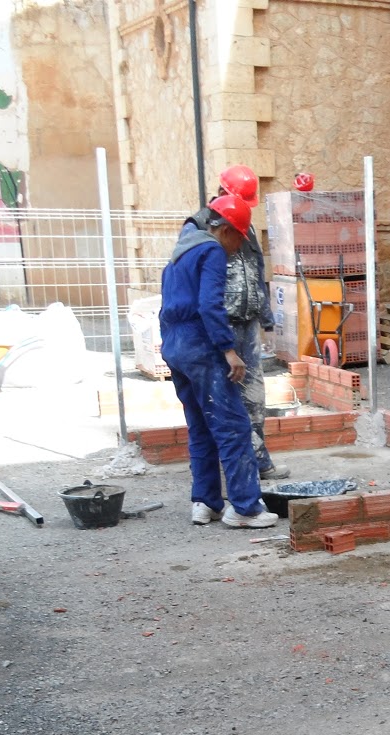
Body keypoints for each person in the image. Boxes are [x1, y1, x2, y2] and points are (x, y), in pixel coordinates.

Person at [160, 192, 279, 529]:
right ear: (226, 231)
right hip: (200, 344)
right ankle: (244, 508)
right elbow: (211, 305)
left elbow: (170, 304)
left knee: (200, 427)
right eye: (238, 241)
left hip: (174, 344)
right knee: (233, 426)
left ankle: (206, 502)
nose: (237, 249)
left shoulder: (181, 252)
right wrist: (228, 350)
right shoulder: (211, 251)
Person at [179, 165, 287, 481]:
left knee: (254, 399)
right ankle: (232, 466)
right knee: (225, 400)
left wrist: (266, 318)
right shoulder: (198, 227)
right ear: (223, 192)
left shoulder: (245, 225)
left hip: (248, 324)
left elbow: (257, 268)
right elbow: (191, 278)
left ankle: (258, 461)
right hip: (218, 328)